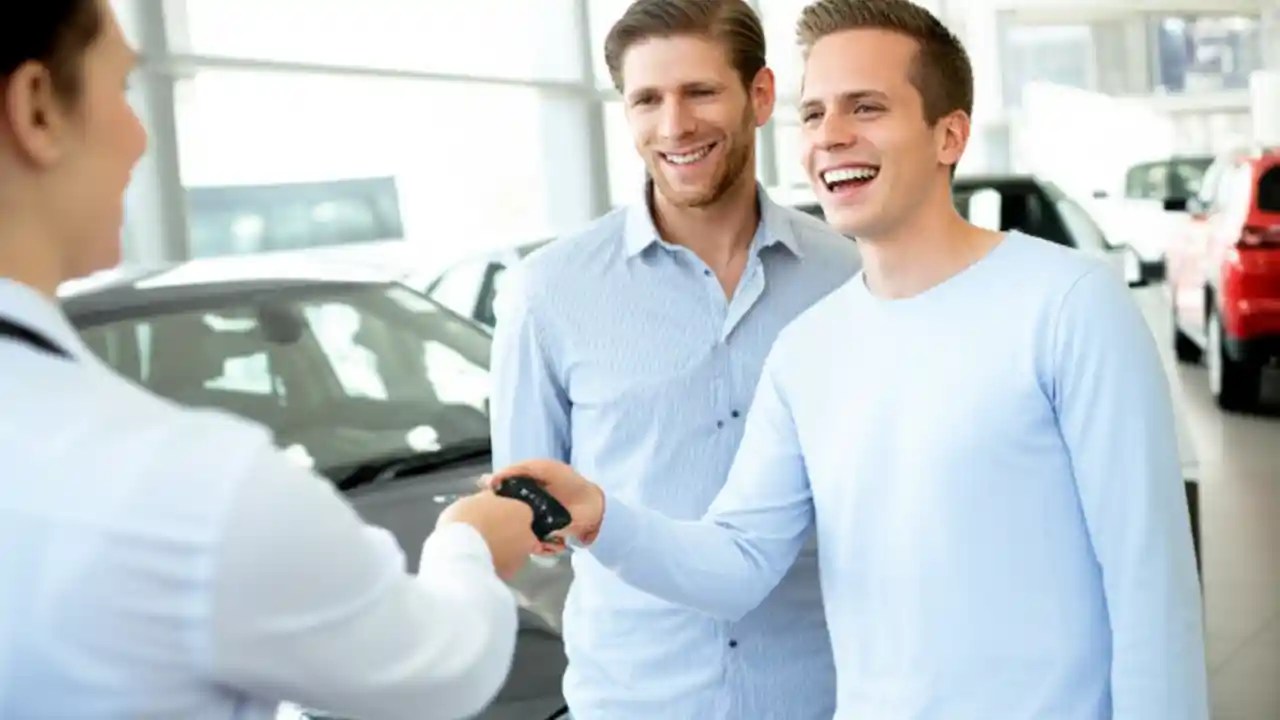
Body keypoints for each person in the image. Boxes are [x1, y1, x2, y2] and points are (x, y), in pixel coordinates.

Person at [492, 0, 1210, 717]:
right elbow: (740, 560)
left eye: (866, 107)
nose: (831, 135)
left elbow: (1151, 586)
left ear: (949, 134)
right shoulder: (807, 347)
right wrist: (601, 516)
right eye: (814, 114)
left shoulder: (1069, 304)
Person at [0, 2, 537, 719]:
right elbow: (445, 668)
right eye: (123, 88)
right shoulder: (189, 487)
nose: (140, 138)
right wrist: (468, 542)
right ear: (37, 108)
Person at [488, 1, 860, 717]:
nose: (674, 125)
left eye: (700, 92)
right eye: (647, 100)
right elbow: (530, 511)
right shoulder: (548, 292)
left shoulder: (846, 276)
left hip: (821, 693)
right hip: (637, 699)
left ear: (760, 95)